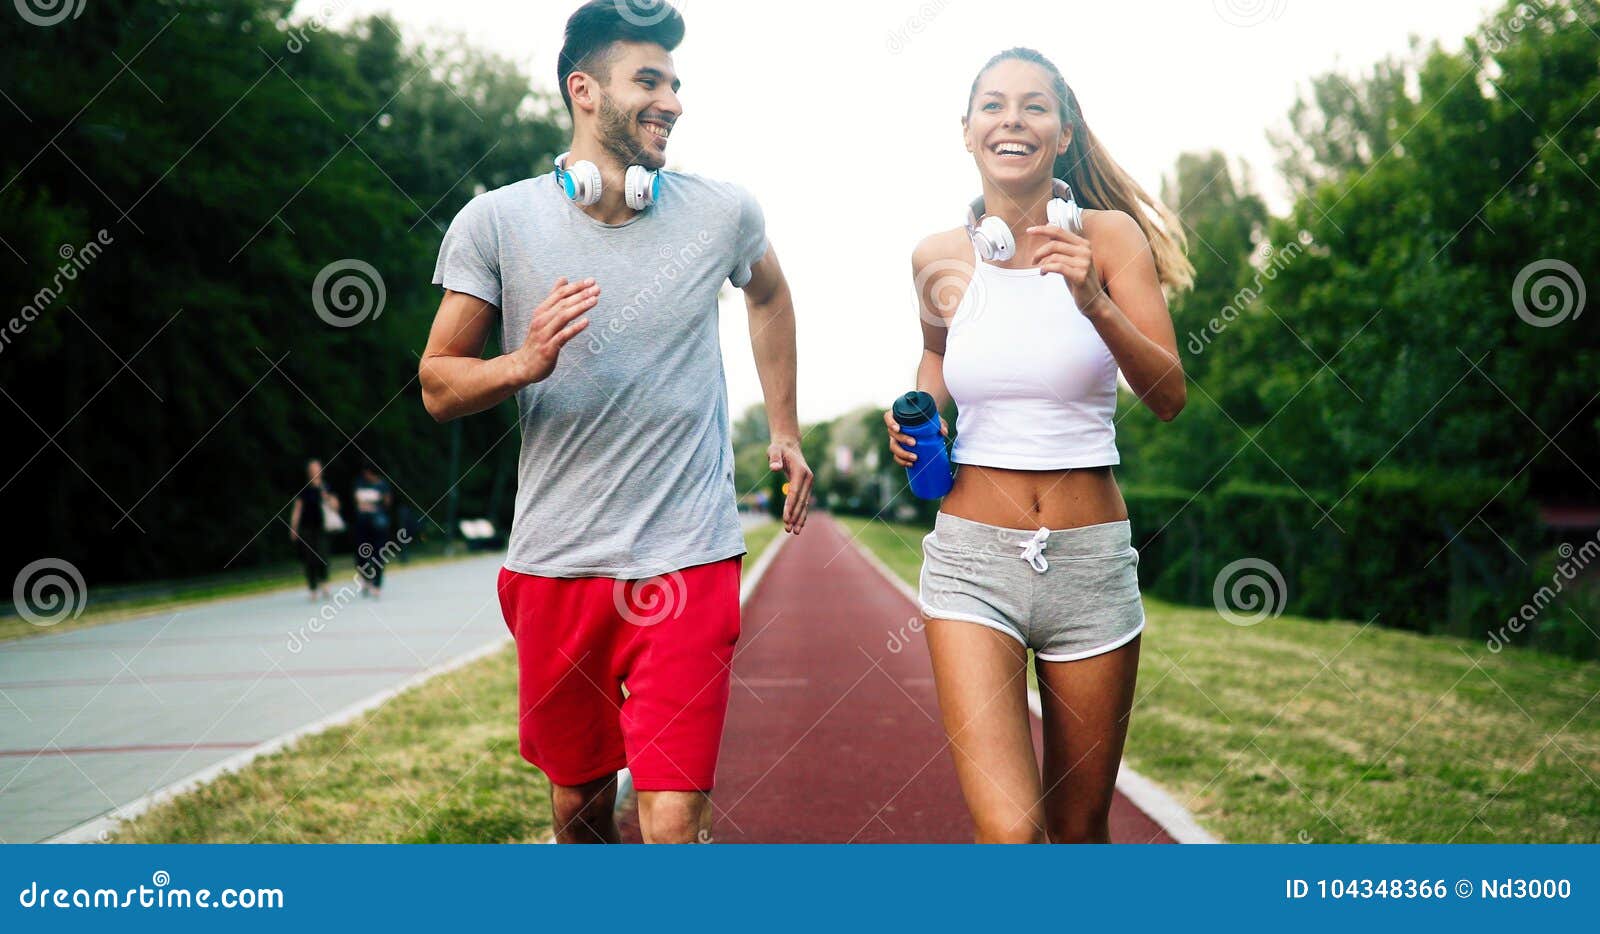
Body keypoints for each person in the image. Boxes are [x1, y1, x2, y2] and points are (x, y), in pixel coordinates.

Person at [420, 0, 812, 844]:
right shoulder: (496, 221)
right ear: (584, 91)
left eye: (676, 82)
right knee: (580, 808)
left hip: (688, 554)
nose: (673, 99)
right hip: (558, 563)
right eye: (650, 80)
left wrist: (785, 426)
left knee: (671, 816)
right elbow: (438, 384)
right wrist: (522, 363)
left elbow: (771, 294)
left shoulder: (721, 212)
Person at [884, 47, 1193, 843]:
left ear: (1062, 134)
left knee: (1079, 831)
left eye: (1032, 106)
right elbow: (936, 357)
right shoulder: (937, 258)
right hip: (971, 563)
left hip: (1090, 564)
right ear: (966, 131)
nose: (1011, 120)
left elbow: (1168, 396)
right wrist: (920, 414)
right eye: (992, 105)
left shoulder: (1113, 239)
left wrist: (1094, 299)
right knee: (1012, 838)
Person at [289, 458, 338, 601]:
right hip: (306, 528)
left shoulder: (325, 487)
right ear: (309, 472)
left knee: (323, 556)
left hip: (322, 527)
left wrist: (327, 497)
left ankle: (324, 583)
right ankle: (312, 588)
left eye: (318, 469)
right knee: (309, 559)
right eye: (313, 470)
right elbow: (297, 509)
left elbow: (335, 506)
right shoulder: (304, 490)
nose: (316, 472)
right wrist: (293, 528)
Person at [351, 463, 393, 598]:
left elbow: (387, 502)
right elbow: (358, 501)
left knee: (378, 555)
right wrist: (374, 501)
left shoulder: (383, 484)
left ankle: (377, 584)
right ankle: (366, 577)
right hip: (362, 524)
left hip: (378, 525)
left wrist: (372, 502)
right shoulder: (359, 483)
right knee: (361, 554)